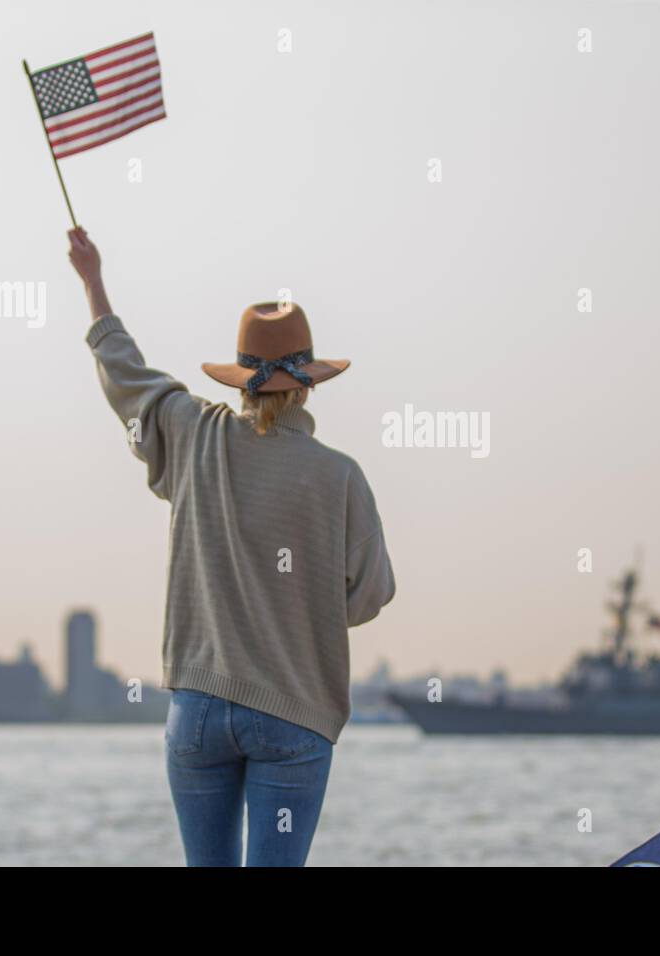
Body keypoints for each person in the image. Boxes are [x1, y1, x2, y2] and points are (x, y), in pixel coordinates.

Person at [66, 227, 396, 866]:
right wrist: (307, 605)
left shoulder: (193, 434)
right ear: (308, 383)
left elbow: (126, 375)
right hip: (293, 715)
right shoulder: (340, 476)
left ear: (242, 379)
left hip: (197, 711)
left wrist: (92, 280)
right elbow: (370, 594)